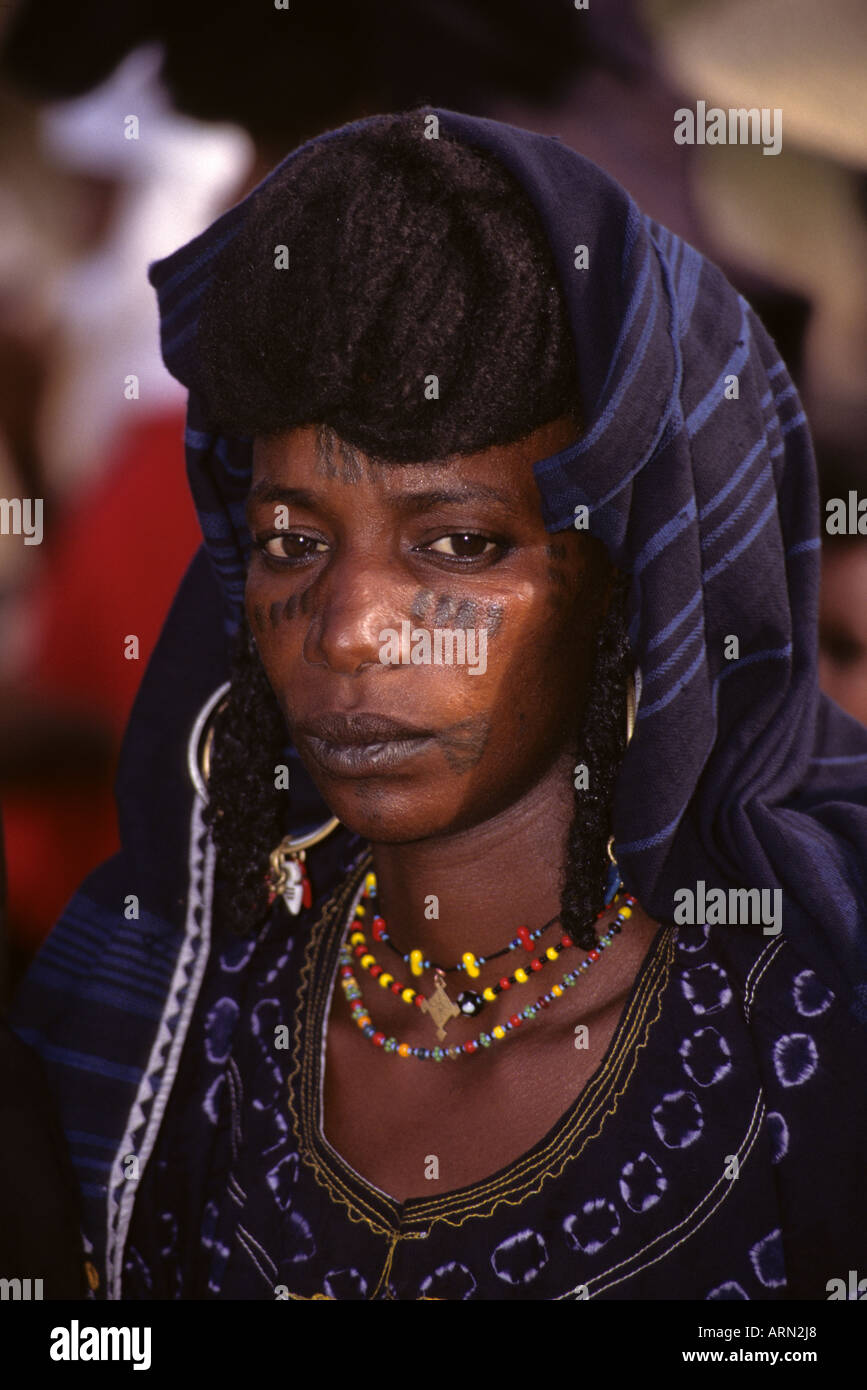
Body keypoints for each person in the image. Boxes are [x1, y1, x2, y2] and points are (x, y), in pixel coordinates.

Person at [10, 108, 867, 1301]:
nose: (352, 625)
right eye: (291, 539)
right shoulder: (138, 1007)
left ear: (635, 578)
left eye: (460, 542)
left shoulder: (822, 1044)